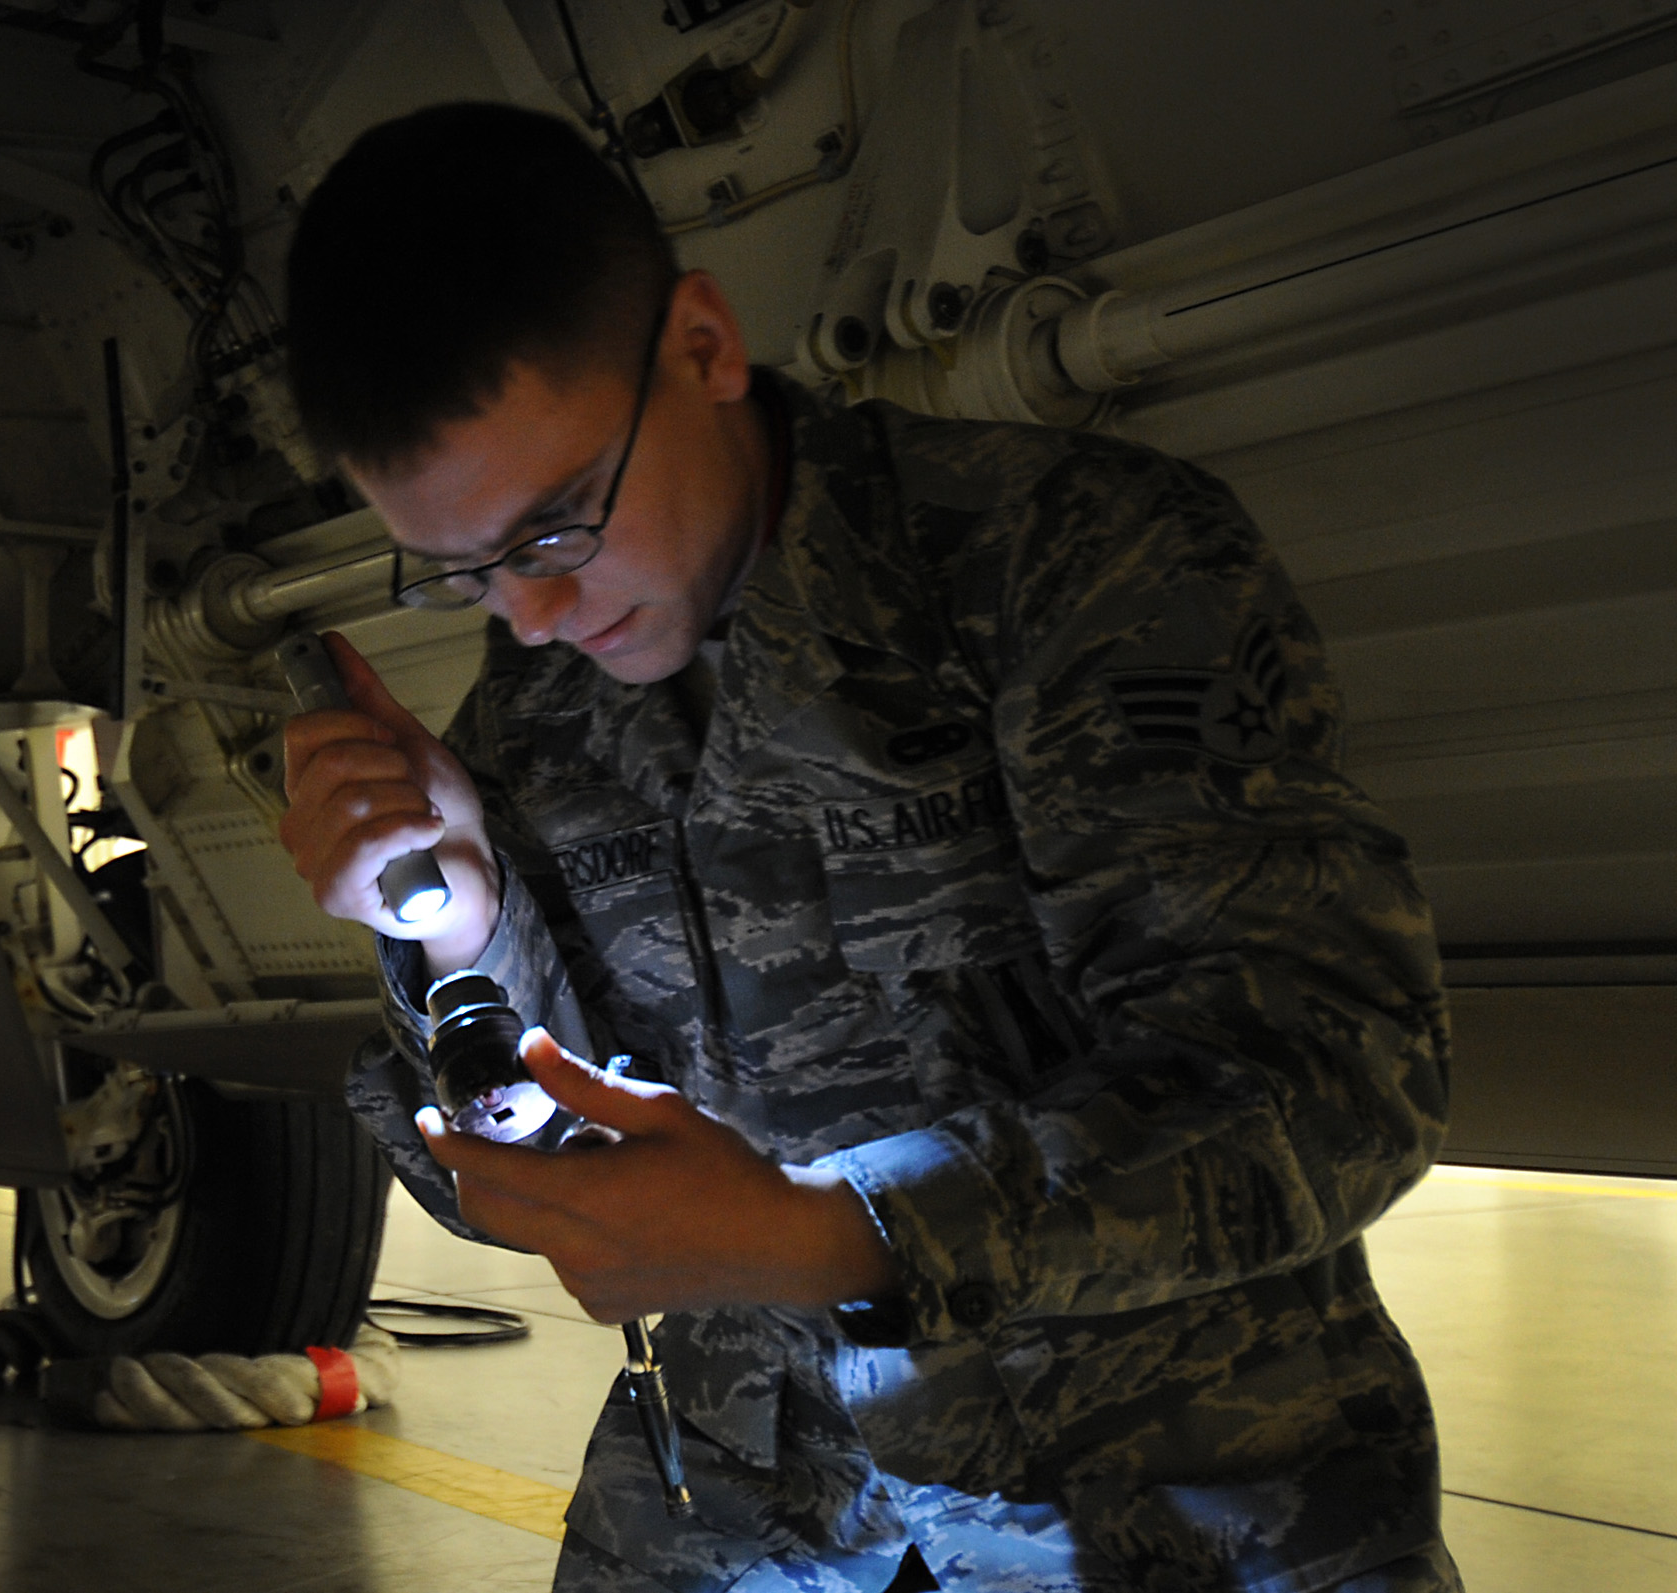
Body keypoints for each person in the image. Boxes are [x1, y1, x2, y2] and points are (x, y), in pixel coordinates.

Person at [276, 104, 1456, 1592]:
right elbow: (533, 1172)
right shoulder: (533, 718)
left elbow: (1333, 1073)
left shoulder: (1069, 567)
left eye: (558, 527)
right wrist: (456, 923)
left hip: (1174, 1507)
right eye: (461, 571)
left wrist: (838, 1233)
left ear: (702, 347)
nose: (532, 618)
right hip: (748, 1512)